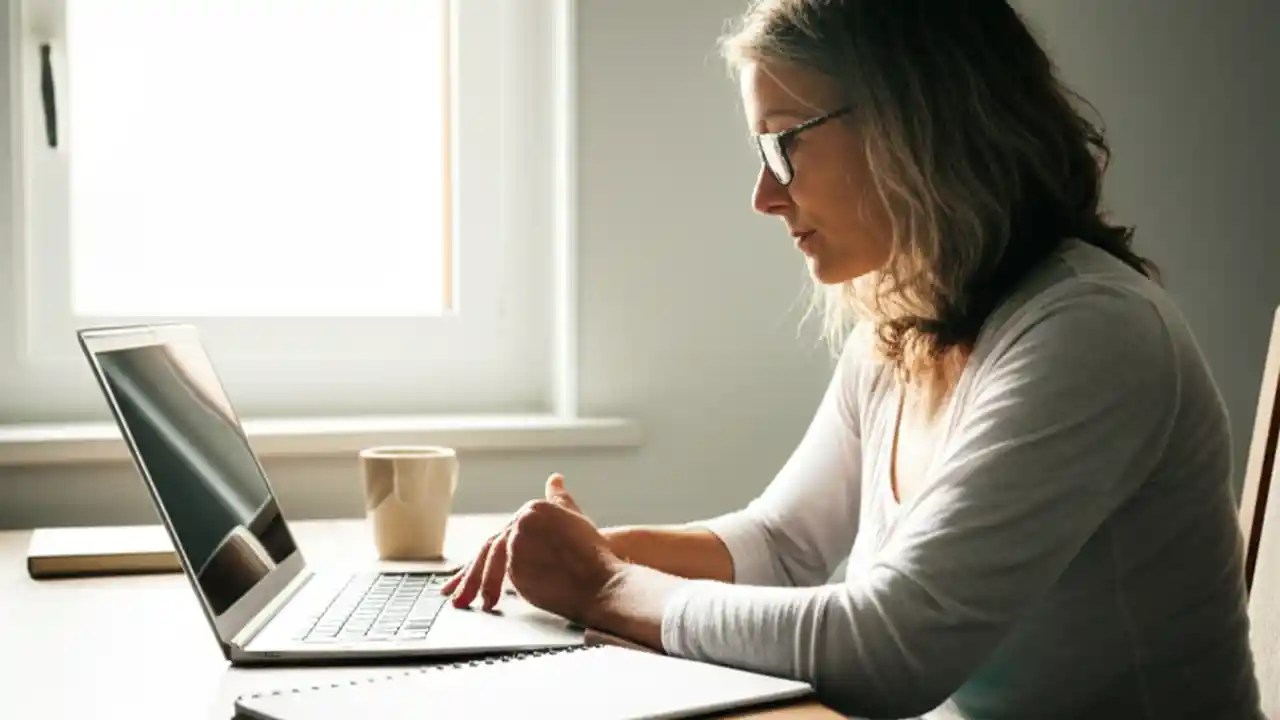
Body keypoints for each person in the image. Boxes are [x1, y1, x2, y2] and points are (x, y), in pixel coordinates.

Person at [441, 1, 1262, 717]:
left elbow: (889, 650)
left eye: (782, 146)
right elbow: (782, 541)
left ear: (917, 121)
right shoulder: (905, 322)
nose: (764, 196)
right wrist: (596, 552)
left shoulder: (1091, 334)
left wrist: (607, 589)